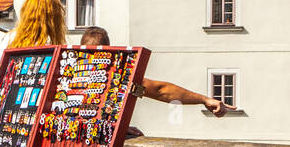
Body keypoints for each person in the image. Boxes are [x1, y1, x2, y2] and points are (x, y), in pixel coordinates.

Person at [78, 27, 234, 118]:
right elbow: (161, 91)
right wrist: (204, 99)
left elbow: (161, 91)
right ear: (109, 50)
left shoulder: (69, 70)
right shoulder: (118, 76)